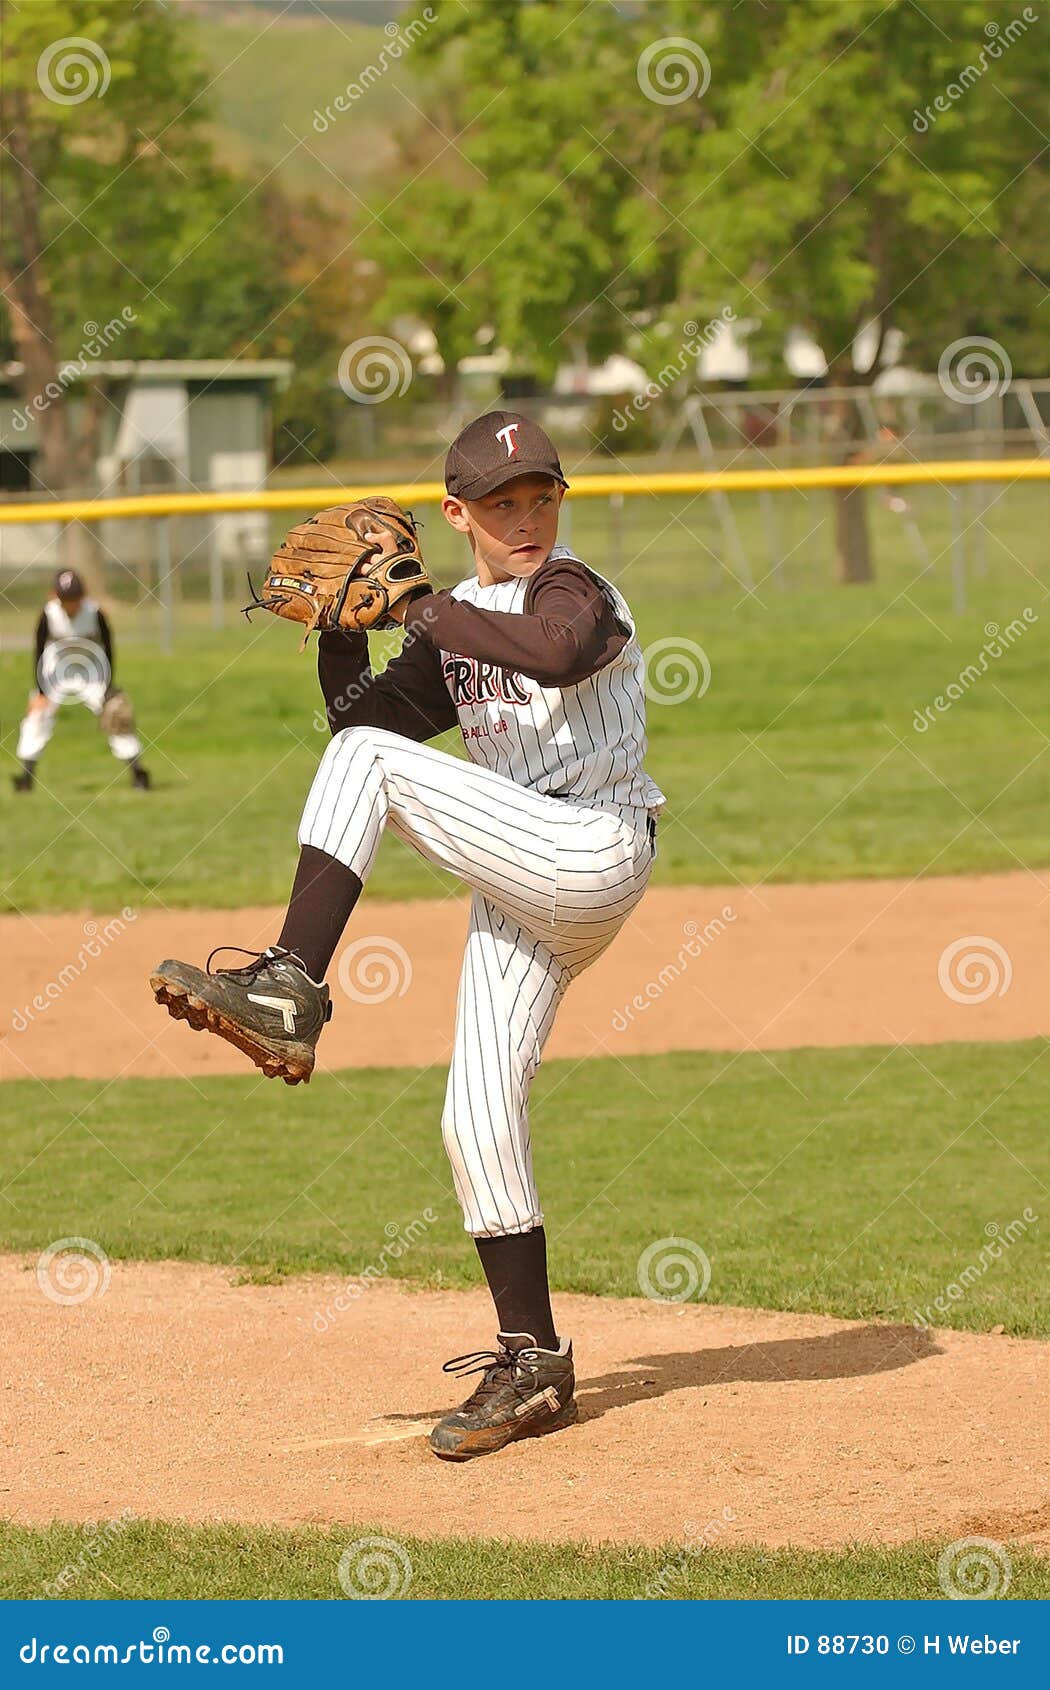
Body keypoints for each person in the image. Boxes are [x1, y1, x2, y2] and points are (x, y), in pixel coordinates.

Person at [150, 411, 665, 1460]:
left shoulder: (574, 592)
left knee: (373, 775)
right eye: (502, 501)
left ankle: (292, 986)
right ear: (457, 512)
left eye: (541, 496)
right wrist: (345, 626)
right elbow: (363, 730)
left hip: (593, 846)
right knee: (474, 1114)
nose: (526, 517)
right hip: (521, 874)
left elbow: (559, 655)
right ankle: (534, 1361)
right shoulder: (459, 618)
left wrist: (420, 606)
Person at [12, 568, 151, 792]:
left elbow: (109, 650)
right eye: (65, 599)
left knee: (115, 713)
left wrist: (108, 687)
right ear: (55, 596)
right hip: (55, 672)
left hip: (90, 671)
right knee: (36, 717)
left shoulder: (95, 613)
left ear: (83, 596)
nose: (70, 604)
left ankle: (139, 774)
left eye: (74, 599)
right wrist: (40, 692)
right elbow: (38, 651)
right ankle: (26, 778)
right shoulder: (48, 614)